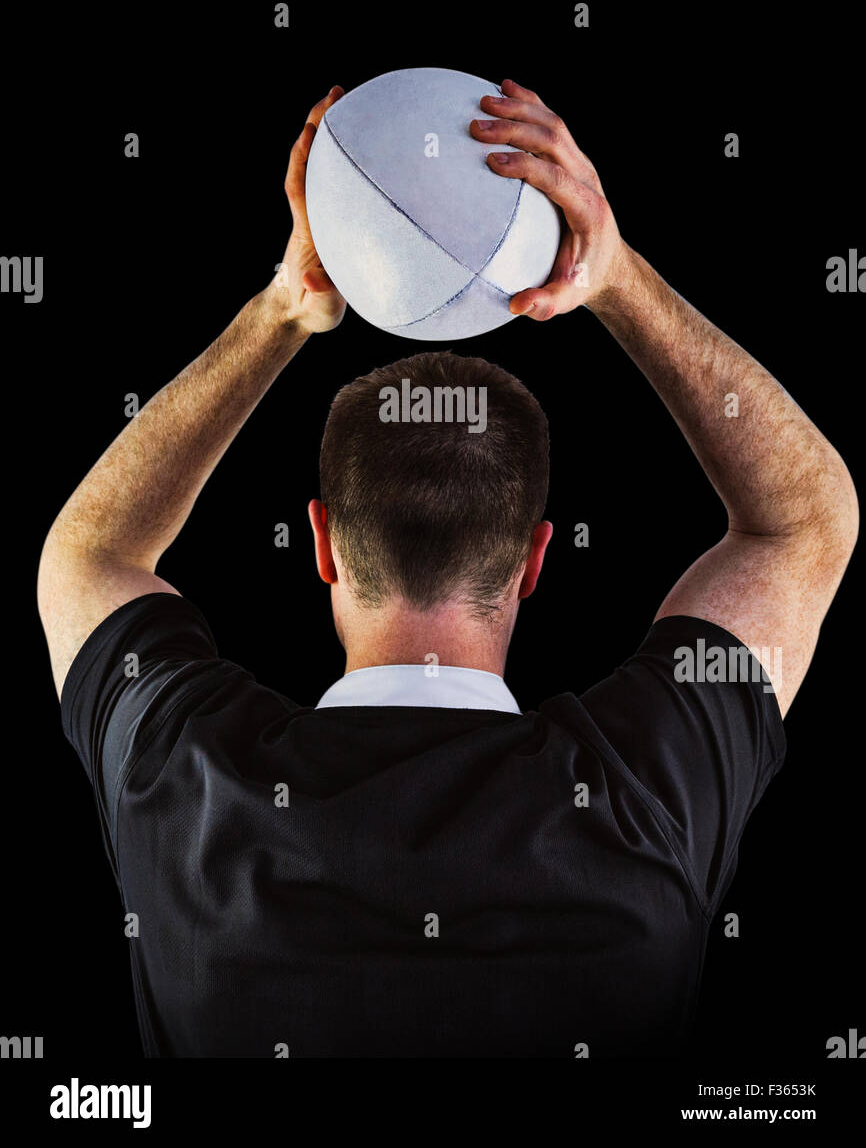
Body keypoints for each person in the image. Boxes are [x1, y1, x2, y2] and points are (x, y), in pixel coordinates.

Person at [38, 81, 858, 1058]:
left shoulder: (182, 783)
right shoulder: (646, 794)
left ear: (322, 544)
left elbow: (89, 553)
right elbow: (798, 523)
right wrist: (616, 277)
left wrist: (283, 310)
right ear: (533, 559)